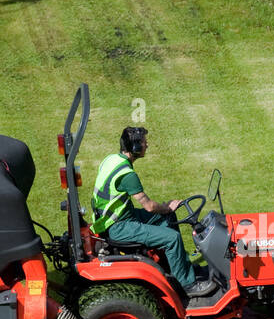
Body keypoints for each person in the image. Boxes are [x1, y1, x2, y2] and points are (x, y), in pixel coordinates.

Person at [89, 126, 214, 296]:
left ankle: (178, 269)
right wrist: (167, 206)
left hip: (119, 217)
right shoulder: (127, 175)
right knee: (173, 238)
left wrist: (167, 211)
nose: (147, 145)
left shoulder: (111, 159)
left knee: (168, 216)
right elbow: (149, 206)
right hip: (119, 226)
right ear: (135, 148)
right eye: (143, 143)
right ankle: (189, 286)